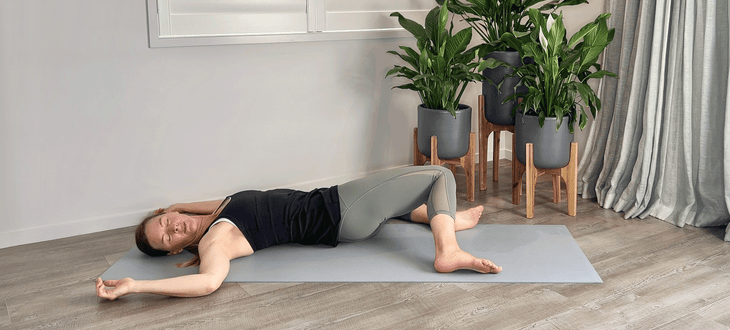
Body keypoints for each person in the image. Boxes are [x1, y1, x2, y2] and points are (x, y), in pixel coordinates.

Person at [96, 165, 501, 300]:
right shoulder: (217, 237)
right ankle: (446, 247)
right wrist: (136, 286)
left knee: (405, 197)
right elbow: (208, 282)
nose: (174, 227)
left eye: (166, 221)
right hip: (340, 209)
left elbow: (205, 205)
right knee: (439, 174)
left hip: (344, 212)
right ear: (174, 251)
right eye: (167, 237)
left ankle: (440, 216)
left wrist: (174, 208)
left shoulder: (216, 210)